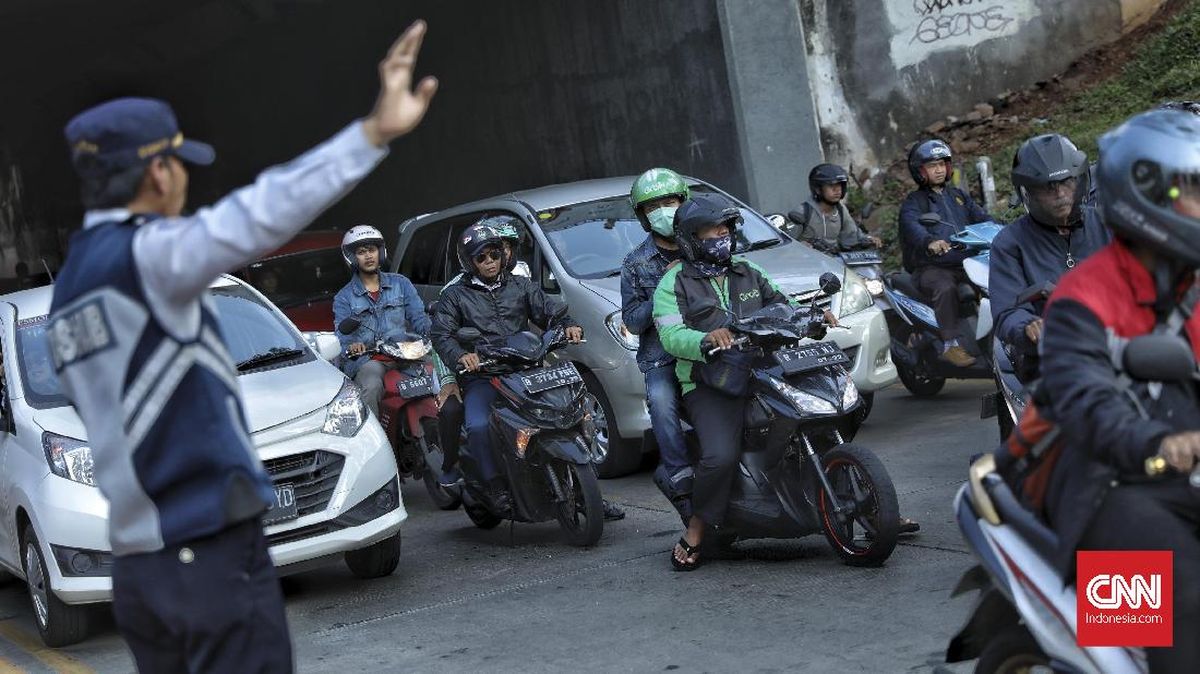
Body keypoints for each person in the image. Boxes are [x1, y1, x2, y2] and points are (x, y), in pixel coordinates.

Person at [46, 21, 437, 672]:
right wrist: (373, 133)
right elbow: (258, 212)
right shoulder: (150, 256)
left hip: (141, 571)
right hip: (208, 555)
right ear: (157, 171)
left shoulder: (67, 295)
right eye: (178, 166)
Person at [1041, 108, 1200, 672]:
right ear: (1147, 191)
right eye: (1195, 190)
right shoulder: (1082, 297)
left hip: (1190, 473)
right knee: (1181, 601)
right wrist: (1160, 441)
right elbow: (1086, 399)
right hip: (1109, 479)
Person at [653, 194, 803, 570]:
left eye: (725, 229)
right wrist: (706, 339)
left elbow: (783, 303)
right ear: (691, 237)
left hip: (765, 368)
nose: (722, 236)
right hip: (709, 380)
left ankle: (868, 499)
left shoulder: (748, 270)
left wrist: (812, 316)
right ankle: (697, 530)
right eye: (712, 230)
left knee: (820, 413)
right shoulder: (673, 284)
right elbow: (671, 337)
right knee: (720, 456)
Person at [430, 220, 584, 511]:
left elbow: (550, 312)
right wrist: (462, 356)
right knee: (477, 425)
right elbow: (441, 334)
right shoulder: (455, 295)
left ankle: (589, 492)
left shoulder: (521, 286)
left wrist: (568, 325)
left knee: (569, 410)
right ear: (469, 261)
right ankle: (494, 485)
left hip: (526, 371)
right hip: (485, 376)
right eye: (481, 257)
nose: (490, 262)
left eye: (494, 254)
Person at [989, 133, 1110, 382]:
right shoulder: (1010, 243)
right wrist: (1029, 327)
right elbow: (1008, 311)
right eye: (1047, 188)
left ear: (1080, 181)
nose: (1060, 194)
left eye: (1066, 182)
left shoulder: (1109, 224)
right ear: (1028, 193)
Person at [620, 168, 692, 515]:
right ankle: (680, 477)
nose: (663, 211)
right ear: (643, 217)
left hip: (706, 347)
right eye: (653, 207)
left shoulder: (703, 243)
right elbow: (632, 322)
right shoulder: (636, 262)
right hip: (662, 358)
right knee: (662, 406)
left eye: (669, 202)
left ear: (683, 202)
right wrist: (664, 287)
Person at [898, 139, 991, 367]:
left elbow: (982, 218)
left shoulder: (958, 196)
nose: (939, 170)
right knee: (945, 287)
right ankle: (950, 345)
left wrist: (1003, 231)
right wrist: (930, 241)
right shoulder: (914, 202)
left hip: (967, 262)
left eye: (941, 164)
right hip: (933, 267)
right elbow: (911, 227)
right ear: (920, 172)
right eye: (932, 166)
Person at [333, 224, 430, 418]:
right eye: (361, 252)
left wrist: (435, 331)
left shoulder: (400, 283)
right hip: (370, 359)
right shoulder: (343, 297)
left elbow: (419, 317)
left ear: (380, 252)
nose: (368, 256)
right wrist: (353, 346)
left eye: (372, 250)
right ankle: (376, 443)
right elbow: (341, 335)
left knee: (440, 372)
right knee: (371, 387)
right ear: (352, 257)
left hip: (405, 352)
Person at [784, 163, 882, 252]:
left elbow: (851, 236)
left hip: (834, 264)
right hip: (807, 266)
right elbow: (785, 244)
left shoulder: (841, 210)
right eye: (832, 186)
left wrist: (868, 240)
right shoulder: (803, 212)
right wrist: (801, 246)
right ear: (818, 189)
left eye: (840, 186)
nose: (838, 191)